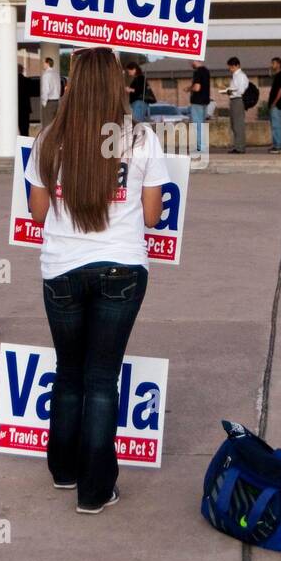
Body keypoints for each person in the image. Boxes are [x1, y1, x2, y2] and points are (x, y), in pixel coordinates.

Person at [24, 46, 167, 514]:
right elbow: (151, 215)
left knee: (69, 373)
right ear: (115, 86)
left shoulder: (48, 139)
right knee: (102, 379)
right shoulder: (142, 139)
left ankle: (63, 471)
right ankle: (95, 490)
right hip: (122, 269)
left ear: (72, 85)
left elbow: (38, 212)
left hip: (61, 269)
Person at [222, 56, 249, 154]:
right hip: (233, 100)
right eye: (229, 67)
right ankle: (237, 145)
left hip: (238, 100)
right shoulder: (235, 76)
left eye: (232, 67)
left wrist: (231, 91)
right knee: (234, 124)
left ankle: (240, 147)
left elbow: (241, 90)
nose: (230, 69)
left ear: (237, 65)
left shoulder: (241, 76)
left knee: (238, 124)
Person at [185, 59, 211, 153]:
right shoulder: (206, 71)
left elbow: (197, 87)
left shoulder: (198, 72)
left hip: (197, 101)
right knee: (202, 124)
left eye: (190, 61)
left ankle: (200, 147)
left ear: (195, 60)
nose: (190, 63)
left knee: (197, 125)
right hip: (205, 101)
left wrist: (189, 89)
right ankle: (203, 145)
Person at [267, 57, 281, 154]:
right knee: (274, 126)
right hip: (275, 105)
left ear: (279, 64)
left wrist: (274, 103)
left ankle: (279, 146)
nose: (272, 65)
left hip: (278, 106)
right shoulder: (277, 76)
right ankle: (276, 145)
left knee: (277, 125)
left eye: (274, 63)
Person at [40, 56, 61, 127]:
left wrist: (44, 102)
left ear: (47, 63)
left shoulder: (46, 74)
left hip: (49, 103)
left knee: (47, 125)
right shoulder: (56, 74)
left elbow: (45, 90)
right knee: (55, 125)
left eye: (43, 62)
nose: (42, 64)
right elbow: (59, 87)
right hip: (57, 102)